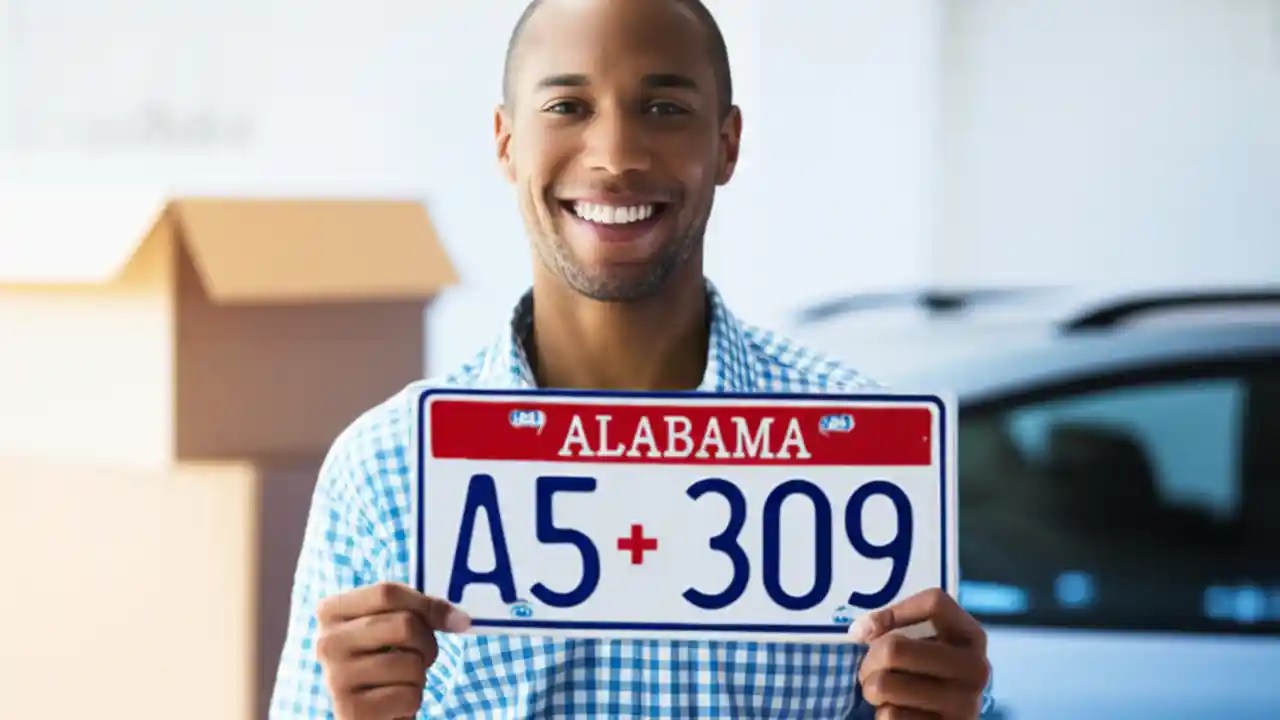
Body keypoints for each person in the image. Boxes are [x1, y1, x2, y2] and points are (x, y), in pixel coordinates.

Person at [270, 0, 994, 717]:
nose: (615, 155)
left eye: (665, 108)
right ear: (505, 142)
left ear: (728, 144)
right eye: (566, 105)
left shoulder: (864, 454)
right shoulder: (385, 468)